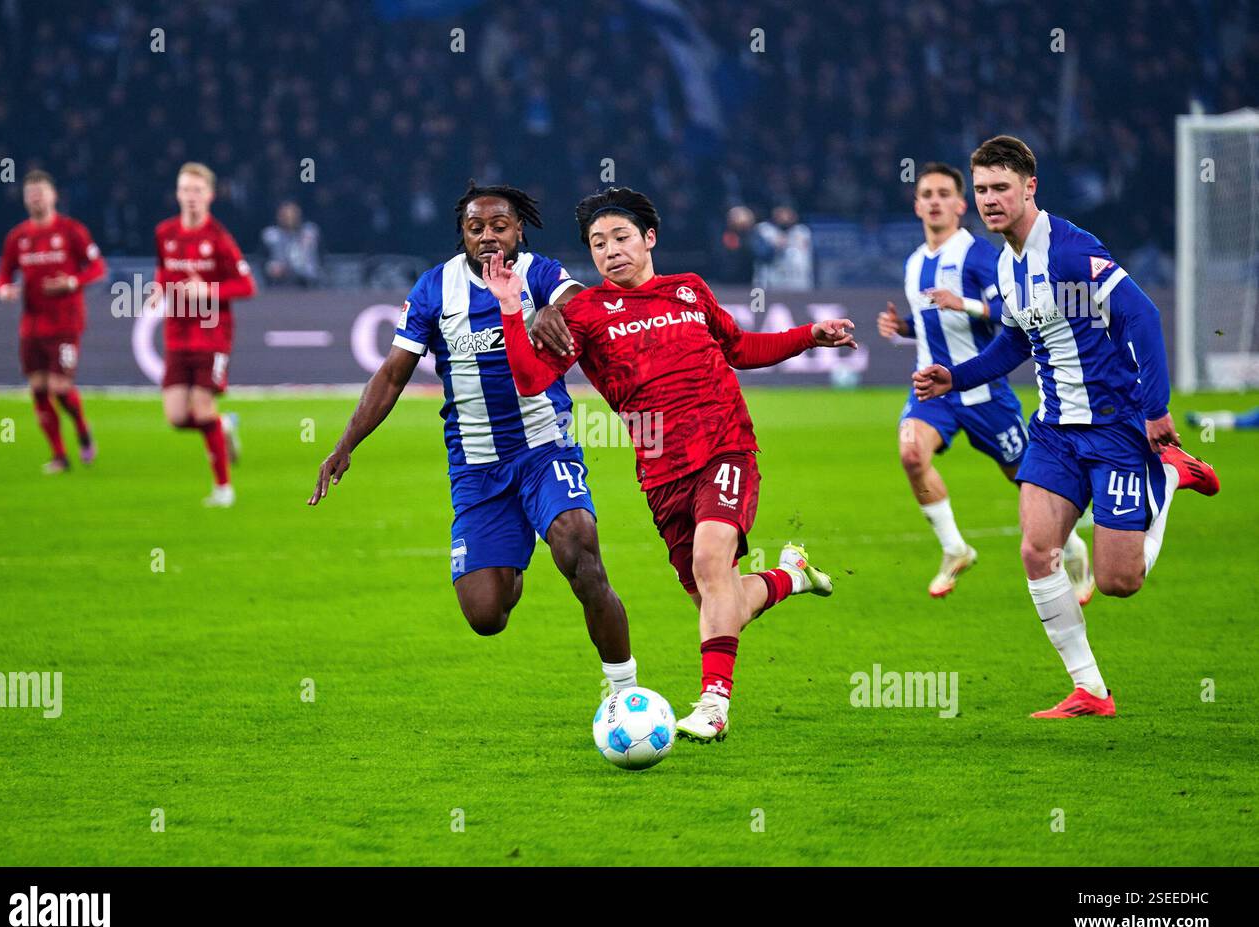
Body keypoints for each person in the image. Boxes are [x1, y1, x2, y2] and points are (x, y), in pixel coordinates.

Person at [490, 186, 855, 743]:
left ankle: (713, 705)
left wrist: (810, 336)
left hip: (725, 448)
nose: (610, 250)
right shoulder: (585, 312)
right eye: (597, 243)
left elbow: (740, 348)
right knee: (718, 598)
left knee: (712, 565)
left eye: (620, 237)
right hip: (661, 474)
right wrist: (512, 309)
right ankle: (789, 576)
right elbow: (530, 379)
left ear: (648, 239)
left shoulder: (690, 291)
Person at [913, 136, 1220, 718]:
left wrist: (1156, 410)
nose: (989, 200)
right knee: (1036, 551)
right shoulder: (1006, 262)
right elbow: (1012, 343)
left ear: (1031, 187)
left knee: (1117, 582)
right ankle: (1091, 691)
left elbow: (1143, 315)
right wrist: (955, 377)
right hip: (1055, 431)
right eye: (981, 189)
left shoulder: (1072, 252)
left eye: (1001, 188)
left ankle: (1173, 475)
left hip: (1114, 427)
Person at [307, 182, 637, 695]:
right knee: (487, 615)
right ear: (462, 233)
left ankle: (624, 690)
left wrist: (558, 311)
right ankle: (515, 543)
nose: (488, 236)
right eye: (475, 227)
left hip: (543, 450)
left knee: (580, 551)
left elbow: (581, 301)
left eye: (499, 226)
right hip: (477, 468)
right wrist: (345, 444)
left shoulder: (539, 273)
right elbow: (392, 375)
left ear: (518, 230)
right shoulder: (434, 289)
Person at [878, 161, 1093, 601]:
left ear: (960, 205)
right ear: (917, 205)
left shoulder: (978, 255)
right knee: (910, 453)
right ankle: (955, 548)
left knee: (1027, 482)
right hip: (933, 390)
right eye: (927, 195)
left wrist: (964, 304)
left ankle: (1071, 548)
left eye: (943, 194)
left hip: (984, 393)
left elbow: (1007, 317)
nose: (934, 201)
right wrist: (904, 328)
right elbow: (933, 324)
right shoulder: (914, 263)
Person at [148, 162, 256, 507]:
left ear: (209, 195)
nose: (191, 197)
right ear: (177, 194)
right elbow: (165, 270)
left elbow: (246, 285)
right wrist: (157, 288)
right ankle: (223, 426)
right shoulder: (164, 233)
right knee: (178, 417)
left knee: (203, 407)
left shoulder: (219, 238)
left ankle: (224, 489)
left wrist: (207, 290)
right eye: (185, 190)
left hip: (212, 335)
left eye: (198, 190)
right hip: (177, 334)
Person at [0, 170, 106, 473]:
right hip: (32, 325)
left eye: (40, 192)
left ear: (54, 196)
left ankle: (82, 428)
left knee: (59, 386)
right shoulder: (18, 237)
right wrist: (4, 289)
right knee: (39, 388)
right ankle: (59, 455)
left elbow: (97, 267)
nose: (35, 198)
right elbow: (4, 272)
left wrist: (72, 282)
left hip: (66, 323)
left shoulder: (71, 231)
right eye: (30, 194)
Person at [752, 204, 814, 291]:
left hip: (799, 283)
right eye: (781, 212)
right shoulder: (764, 230)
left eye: (788, 212)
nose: (785, 216)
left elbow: (811, 259)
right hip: (771, 283)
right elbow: (761, 254)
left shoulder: (803, 231)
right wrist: (775, 246)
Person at [261, 201, 322, 287]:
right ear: (279, 216)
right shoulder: (270, 235)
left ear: (299, 214)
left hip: (309, 283)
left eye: (293, 214)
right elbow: (262, 261)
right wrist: (271, 269)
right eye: (285, 215)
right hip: (279, 284)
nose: (289, 218)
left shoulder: (310, 232)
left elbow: (322, 257)